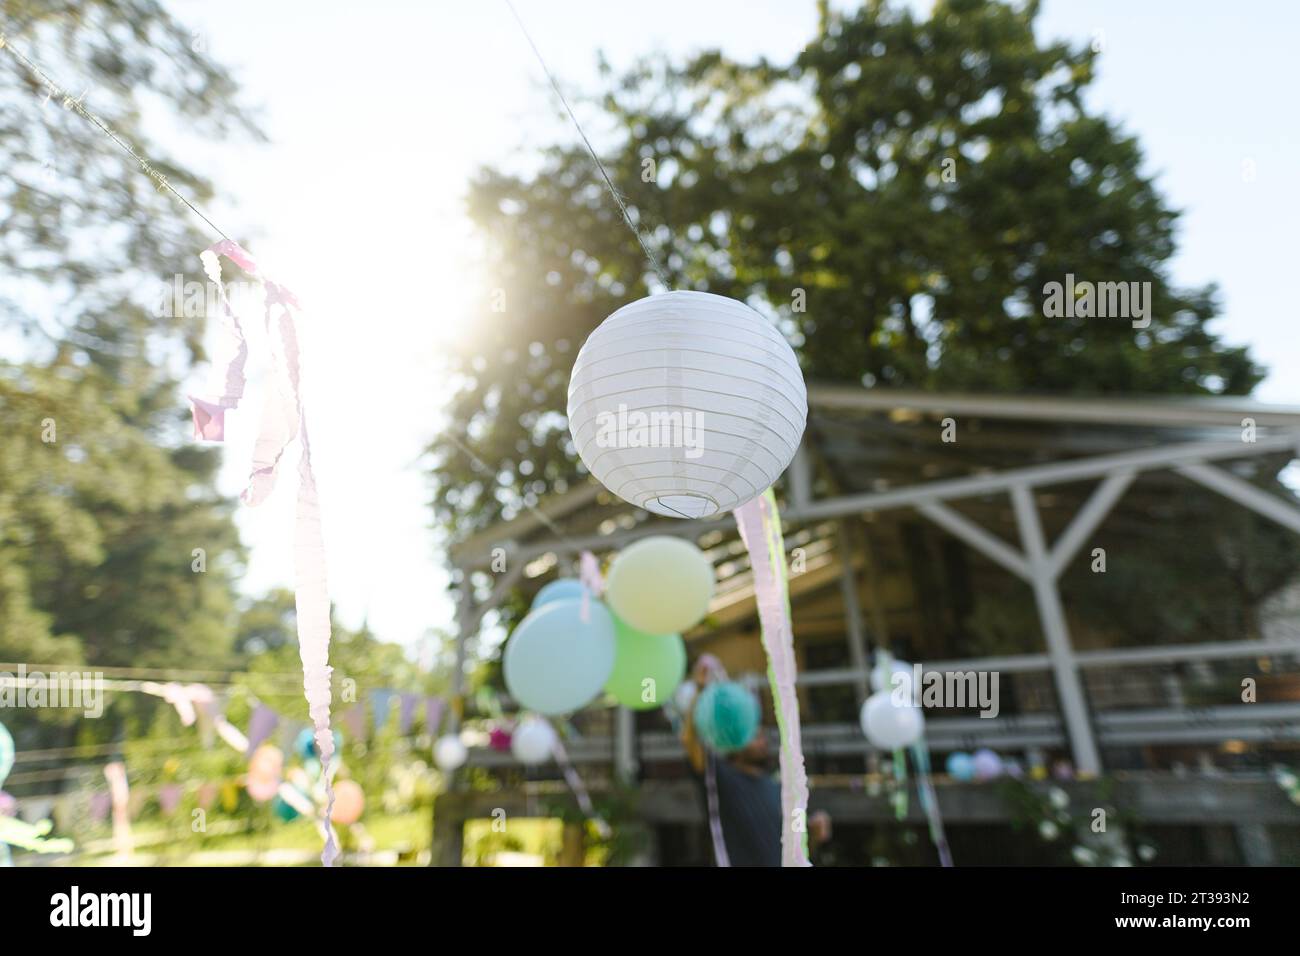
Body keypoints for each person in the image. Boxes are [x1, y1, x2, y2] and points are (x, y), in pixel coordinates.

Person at [679, 657, 782, 867]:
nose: (763, 740)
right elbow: (690, 741)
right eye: (754, 735)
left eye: (763, 734)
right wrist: (700, 689)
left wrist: (812, 830)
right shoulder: (721, 779)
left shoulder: (774, 786)